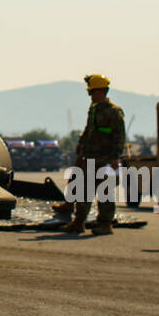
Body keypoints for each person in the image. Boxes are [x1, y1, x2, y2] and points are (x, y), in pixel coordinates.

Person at [61, 73, 126, 236]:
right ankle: (78, 223)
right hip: (90, 157)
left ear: (102, 91)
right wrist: (81, 144)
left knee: (105, 193)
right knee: (83, 191)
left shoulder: (114, 112)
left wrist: (115, 158)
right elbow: (89, 129)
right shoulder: (94, 110)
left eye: (92, 92)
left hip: (106, 160)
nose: (90, 96)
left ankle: (105, 224)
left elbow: (119, 137)